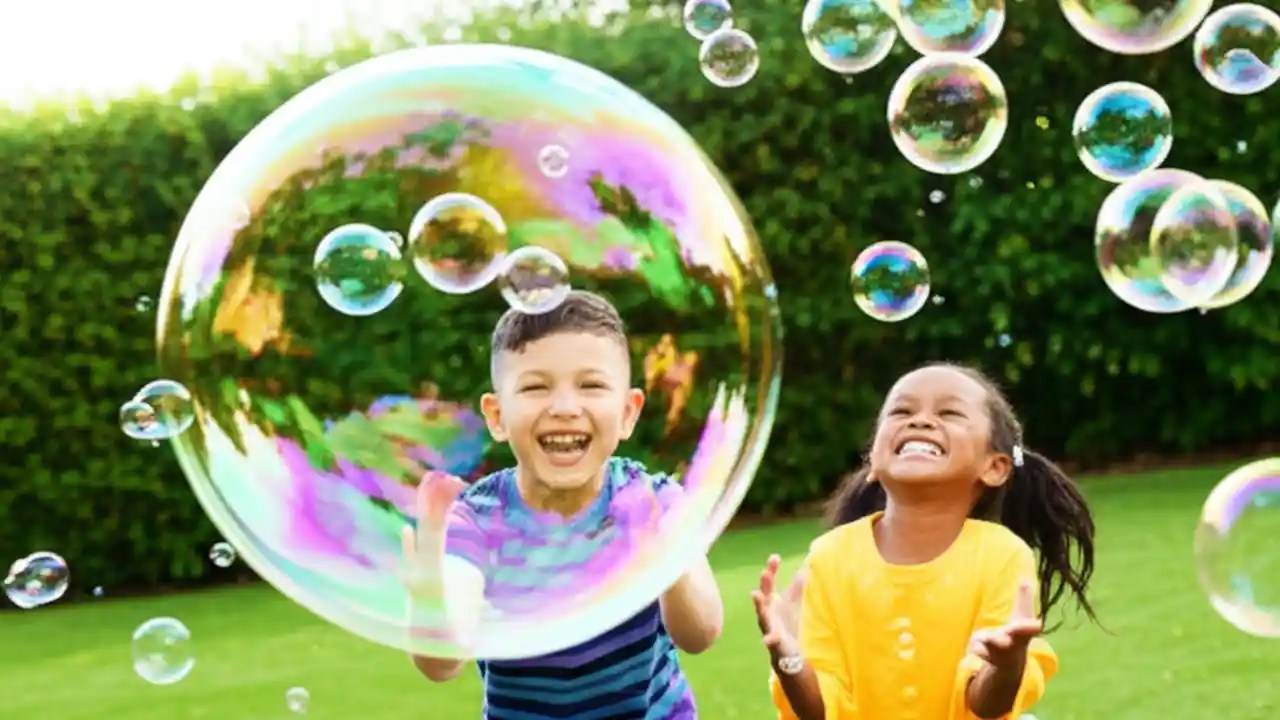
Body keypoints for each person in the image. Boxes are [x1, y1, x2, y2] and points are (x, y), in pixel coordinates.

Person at [401, 290, 724, 719]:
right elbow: (442, 663)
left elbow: (701, 633)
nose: (565, 408)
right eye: (535, 387)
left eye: (591, 385)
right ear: (497, 416)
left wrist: (658, 555)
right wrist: (428, 591)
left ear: (628, 412)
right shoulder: (477, 520)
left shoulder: (654, 499)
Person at [752, 363, 1097, 720]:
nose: (920, 421)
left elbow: (984, 704)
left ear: (994, 467)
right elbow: (820, 711)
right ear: (873, 459)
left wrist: (1007, 666)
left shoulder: (1001, 555)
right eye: (901, 411)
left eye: (949, 412)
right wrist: (789, 659)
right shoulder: (830, 557)